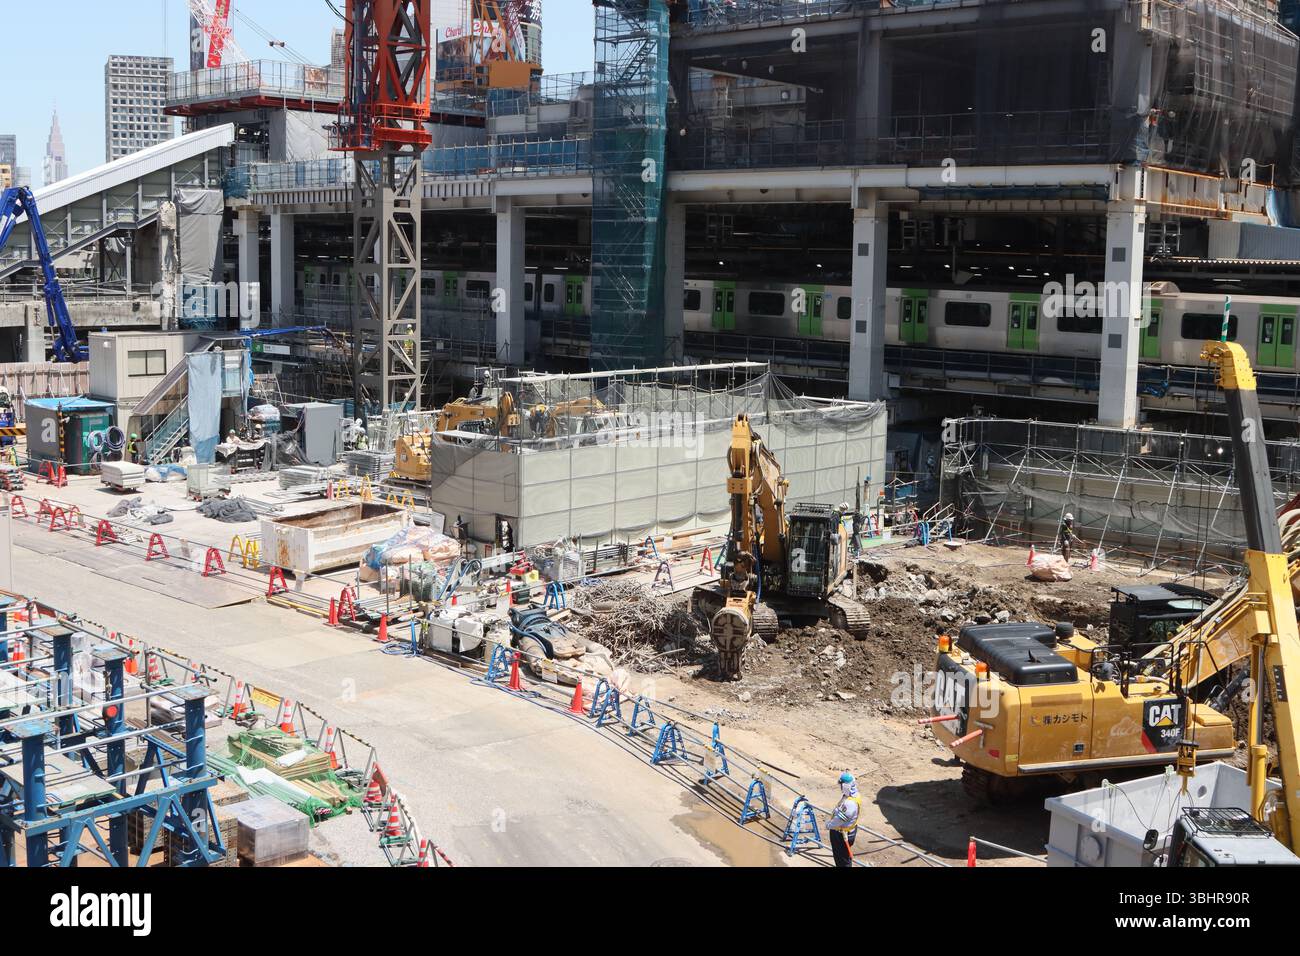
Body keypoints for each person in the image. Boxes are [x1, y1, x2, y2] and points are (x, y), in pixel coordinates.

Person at [826, 772, 861, 867]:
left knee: (841, 859)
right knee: (844, 857)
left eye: (841, 785)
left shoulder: (849, 804)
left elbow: (839, 820)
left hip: (841, 834)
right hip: (848, 831)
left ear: (845, 786)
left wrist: (829, 825)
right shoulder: (855, 796)